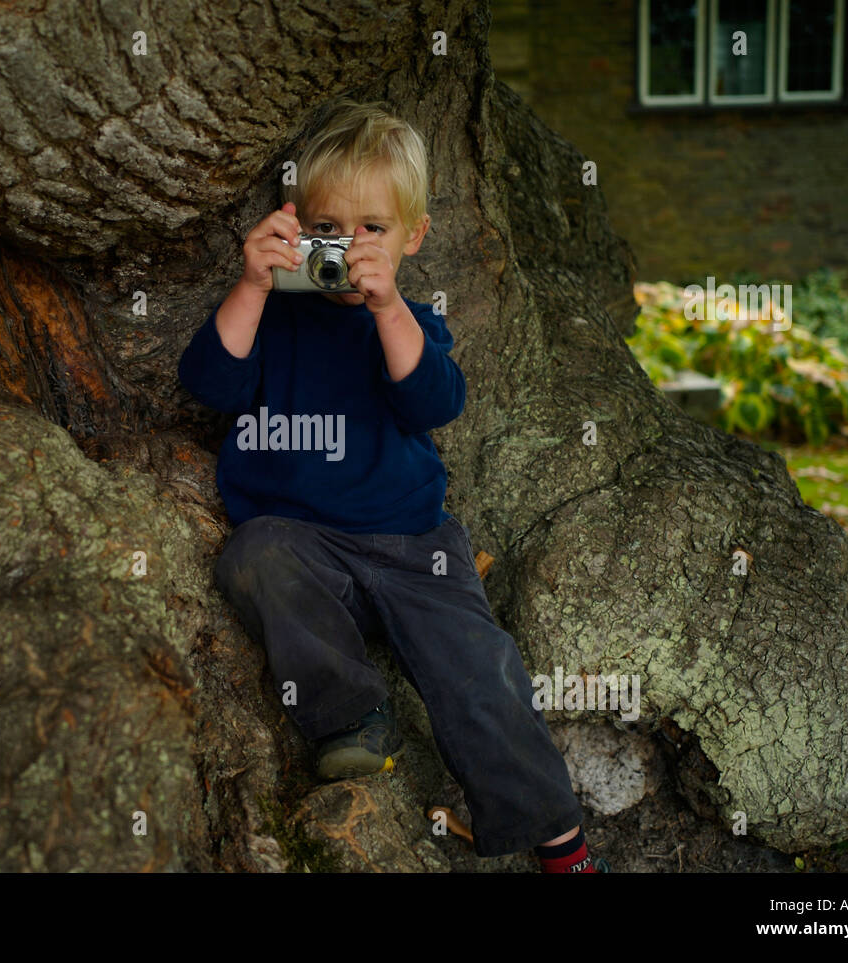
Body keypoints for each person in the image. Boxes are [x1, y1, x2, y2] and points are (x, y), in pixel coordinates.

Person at [178, 99, 606, 873]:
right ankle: (354, 718)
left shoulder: (410, 321)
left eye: (372, 228)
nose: (349, 246)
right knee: (253, 556)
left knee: (480, 666)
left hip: (414, 542)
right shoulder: (274, 314)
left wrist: (388, 308)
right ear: (299, 225)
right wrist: (250, 282)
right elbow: (209, 383)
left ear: (414, 237)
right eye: (328, 227)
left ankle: (559, 841)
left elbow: (435, 400)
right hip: (303, 538)